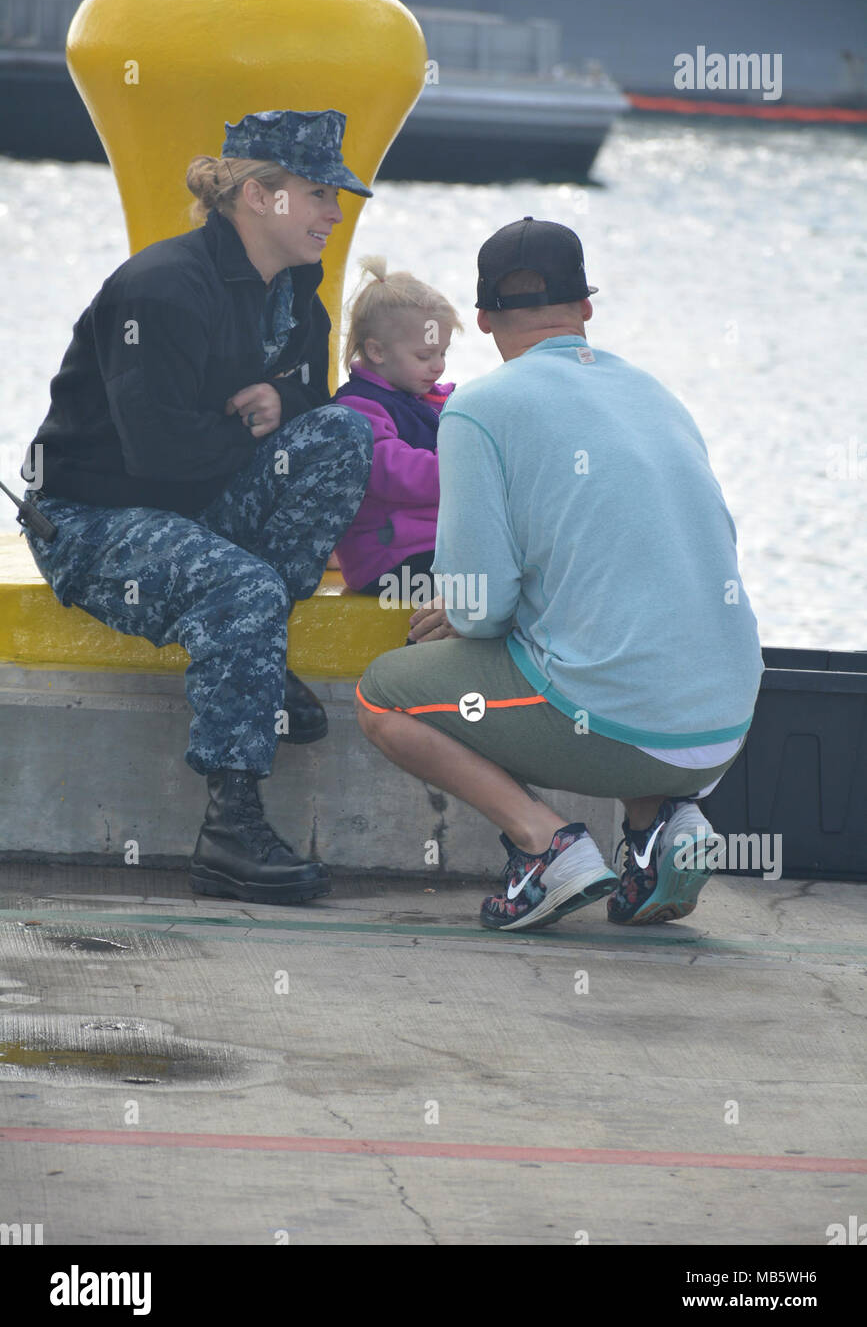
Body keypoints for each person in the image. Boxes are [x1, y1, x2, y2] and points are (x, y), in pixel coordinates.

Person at [355, 216, 764, 932]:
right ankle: (668, 823)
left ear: (480, 320)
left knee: (383, 696)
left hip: (616, 725)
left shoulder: (480, 408)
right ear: (585, 309)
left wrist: (469, 609)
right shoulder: (655, 394)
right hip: (727, 720)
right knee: (604, 645)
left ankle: (547, 847)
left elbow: (478, 608)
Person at [18, 108, 374, 906]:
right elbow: (158, 458)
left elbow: (316, 398)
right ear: (257, 196)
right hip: (92, 521)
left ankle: (255, 652)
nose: (334, 212)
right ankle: (230, 831)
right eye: (318, 193)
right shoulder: (163, 288)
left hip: (188, 500)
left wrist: (278, 399)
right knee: (237, 587)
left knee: (344, 435)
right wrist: (241, 432)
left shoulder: (293, 294)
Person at [332, 257, 460, 620]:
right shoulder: (358, 409)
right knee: (477, 594)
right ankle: (416, 668)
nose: (438, 366)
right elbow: (397, 473)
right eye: (425, 355)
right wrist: (469, 466)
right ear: (377, 351)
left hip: (431, 550)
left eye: (443, 353)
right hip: (388, 563)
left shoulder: (432, 400)